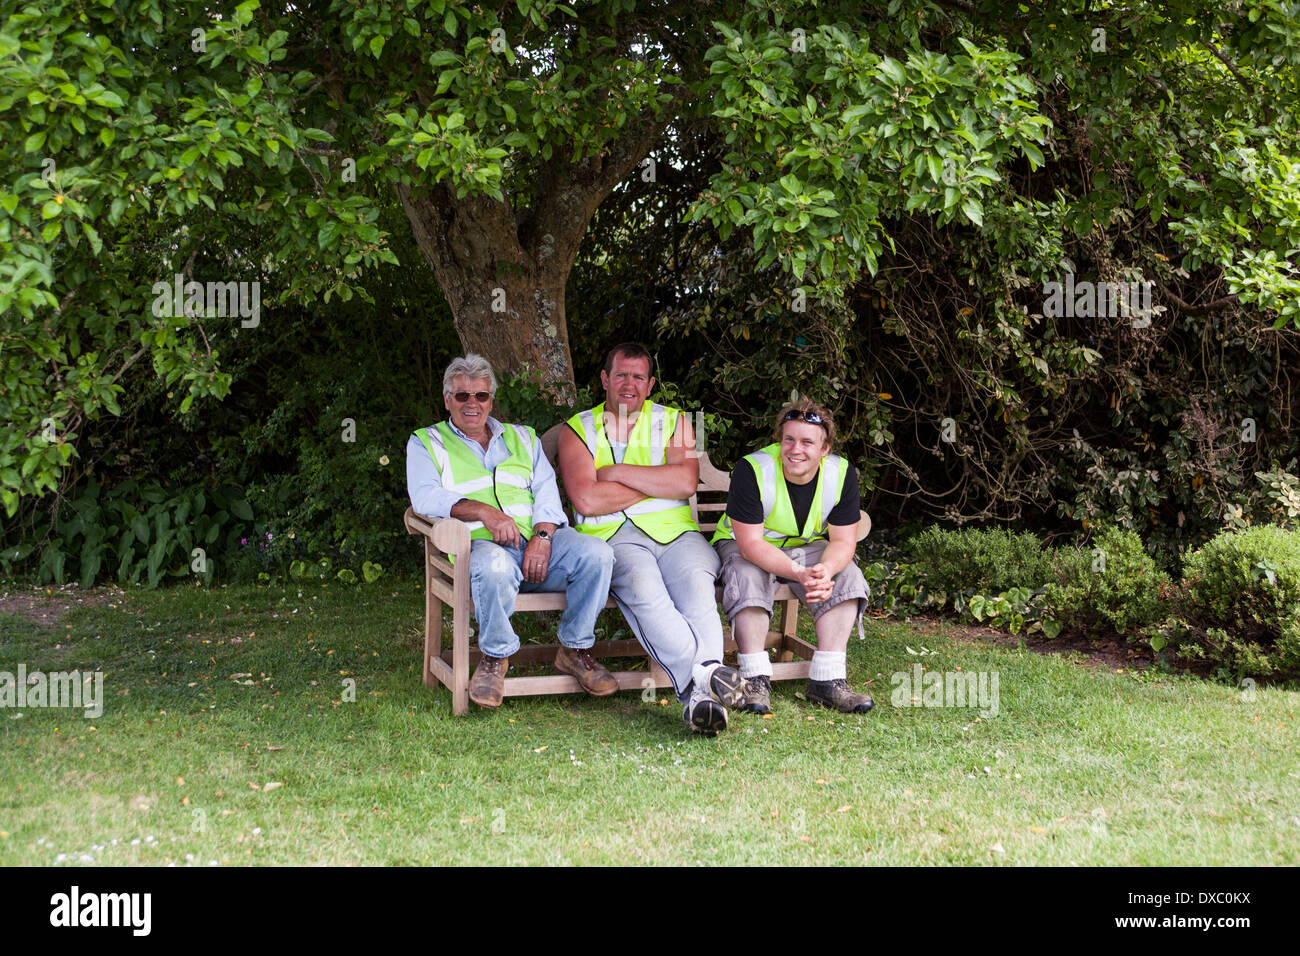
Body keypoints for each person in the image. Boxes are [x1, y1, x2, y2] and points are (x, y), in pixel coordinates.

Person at [558, 343, 752, 735]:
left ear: (649, 385)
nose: (629, 384)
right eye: (621, 375)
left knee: (698, 590)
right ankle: (707, 680)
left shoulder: (675, 421)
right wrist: (655, 482)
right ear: (605, 380)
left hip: (679, 535)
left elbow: (684, 480)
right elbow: (586, 499)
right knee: (646, 591)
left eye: (638, 377)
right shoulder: (577, 428)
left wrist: (614, 471)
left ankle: (701, 688)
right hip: (614, 537)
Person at [407, 353, 617, 709]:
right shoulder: (427, 442)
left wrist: (543, 537)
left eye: (481, 396)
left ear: (491, 400)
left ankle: (575, 649)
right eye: (462, 396)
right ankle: (494, 659)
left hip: (537, 546)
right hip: (478, 547)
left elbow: (547, 492)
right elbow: (425, 497)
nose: (472, 404)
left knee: (598, 554)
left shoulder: (523, 438)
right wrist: (486, 513)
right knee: (495, 566)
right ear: (447, 400)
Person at [712, 398, 874, 714]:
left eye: (807, 442)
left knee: (847, 574)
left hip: (806, 546)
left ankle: (828, 680)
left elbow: (842, 541)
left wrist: (824, 570)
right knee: (748, 573)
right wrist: (799, 573)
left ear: (825, 449)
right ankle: (754, 679)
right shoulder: (752, 468)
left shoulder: (841, 474)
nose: (795, 449)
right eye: (789, 439)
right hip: (746, 545)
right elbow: (751, 546)